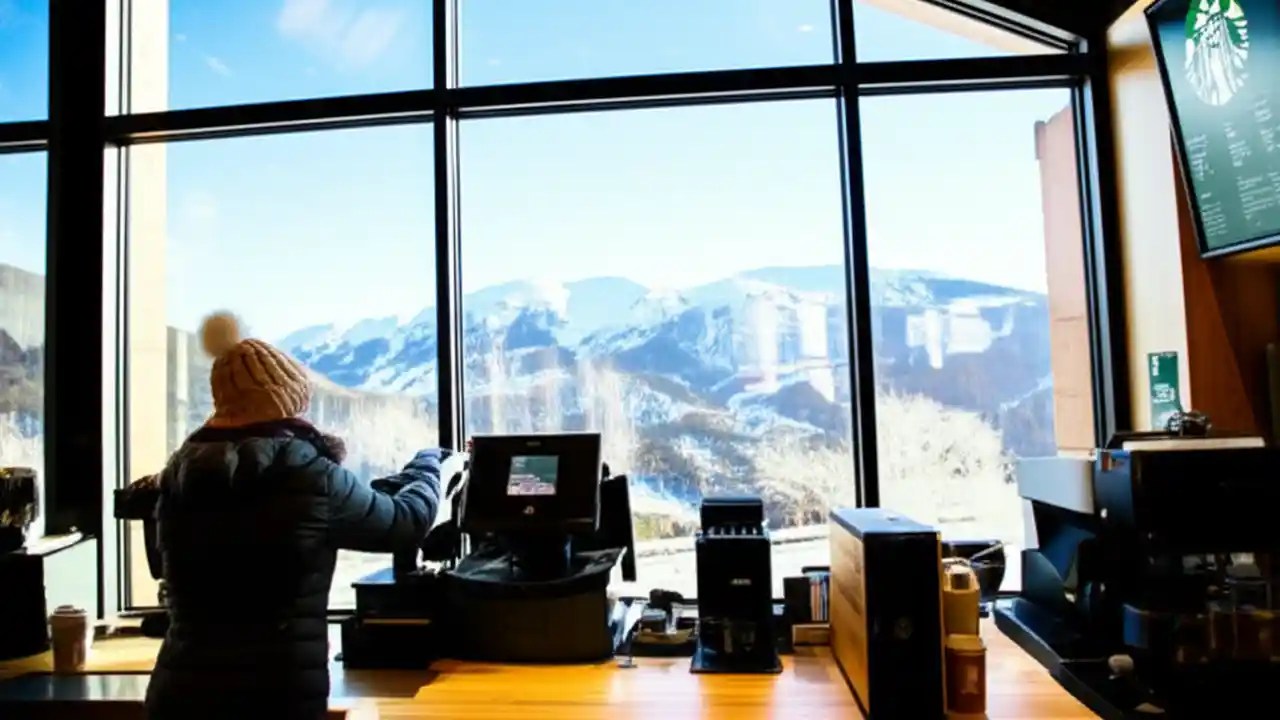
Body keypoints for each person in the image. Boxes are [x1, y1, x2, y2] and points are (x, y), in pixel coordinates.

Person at [143, 312, 443, 720]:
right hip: (274, 698)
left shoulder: (180, 474)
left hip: (178, 696)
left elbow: (165, 567)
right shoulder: (307, 472)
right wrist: (430, 466)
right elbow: (405, 523)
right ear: (285, 404)